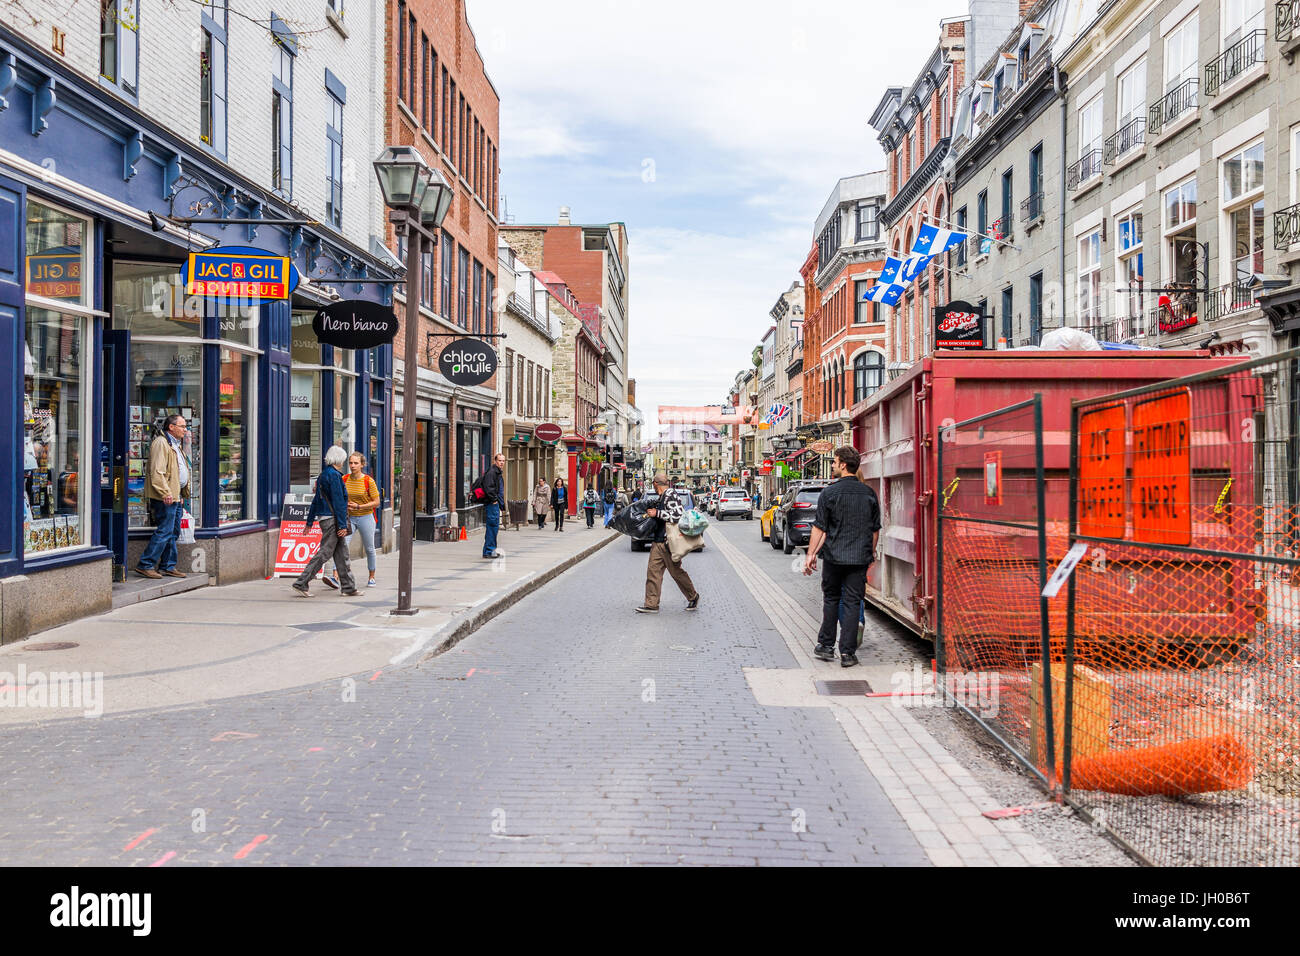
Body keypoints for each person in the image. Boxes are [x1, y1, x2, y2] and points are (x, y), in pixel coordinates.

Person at [803, 446, 880, 667]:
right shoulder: (868, 494)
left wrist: (811, 554)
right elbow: (875, 529)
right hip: (858, 558)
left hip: (834, 557)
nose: (833, 465)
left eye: (835, 462)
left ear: (844, 464)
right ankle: (848, 653)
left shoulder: (829, 493)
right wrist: (871, 552)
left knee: (831, 599)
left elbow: (820, 528)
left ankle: (826, 645)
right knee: (852, 603)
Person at [291, 445, 358, 597]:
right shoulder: (334, 476)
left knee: (342, 554)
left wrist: (309, 522)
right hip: (332, 519)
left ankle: (348, 587)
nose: (344, 462)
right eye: (343, 459)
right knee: (325, 552)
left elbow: (316, 501)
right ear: (339, 459)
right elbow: (338, 502)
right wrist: (342, 525)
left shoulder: (323, 475)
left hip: (325, 518)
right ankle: (301, 582)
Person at [136, 414, 192, 580]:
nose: (185, 429)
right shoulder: (161, 443)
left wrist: (180, 493)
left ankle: (168, 565)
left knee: (173, 532)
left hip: (175, 495)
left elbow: (176, 471)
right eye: (182, 426)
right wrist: (166, 492)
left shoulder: (174, 444)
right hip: (165, 497)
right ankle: (145, 564)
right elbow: (157, 471)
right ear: (171, 427)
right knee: (165, 531)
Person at [635, 472, 700, 614]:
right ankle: (651, 605)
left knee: (676, 573)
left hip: (668, 543)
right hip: (658, 542)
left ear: (655, 484)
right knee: (653, 573)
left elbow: (678, 515)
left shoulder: (670, 494)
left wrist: (656, 513)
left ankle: (693, 596)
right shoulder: (663, 496)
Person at [324, 451, 380, 590]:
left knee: (369, 548)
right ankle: (335, 577)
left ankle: (371, 576)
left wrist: (359, 506)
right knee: (342, 545)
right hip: (349, 518)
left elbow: (377, 502)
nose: (353, 466)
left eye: (356, 463)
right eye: (350, 463)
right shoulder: (344, 479)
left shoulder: (368, 481)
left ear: (362, 465)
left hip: (366, 517)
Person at [482, 452, 506, 559]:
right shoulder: (492, 473)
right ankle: (489, 551)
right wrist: (494, 500)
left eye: (503, 461)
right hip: (492, 504)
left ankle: (490, 550)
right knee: (492, 527)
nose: (501, 463)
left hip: (495, 504)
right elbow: (488, 487)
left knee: (494, 528)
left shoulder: (497, 473)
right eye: (500, 460)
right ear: (495, 461)